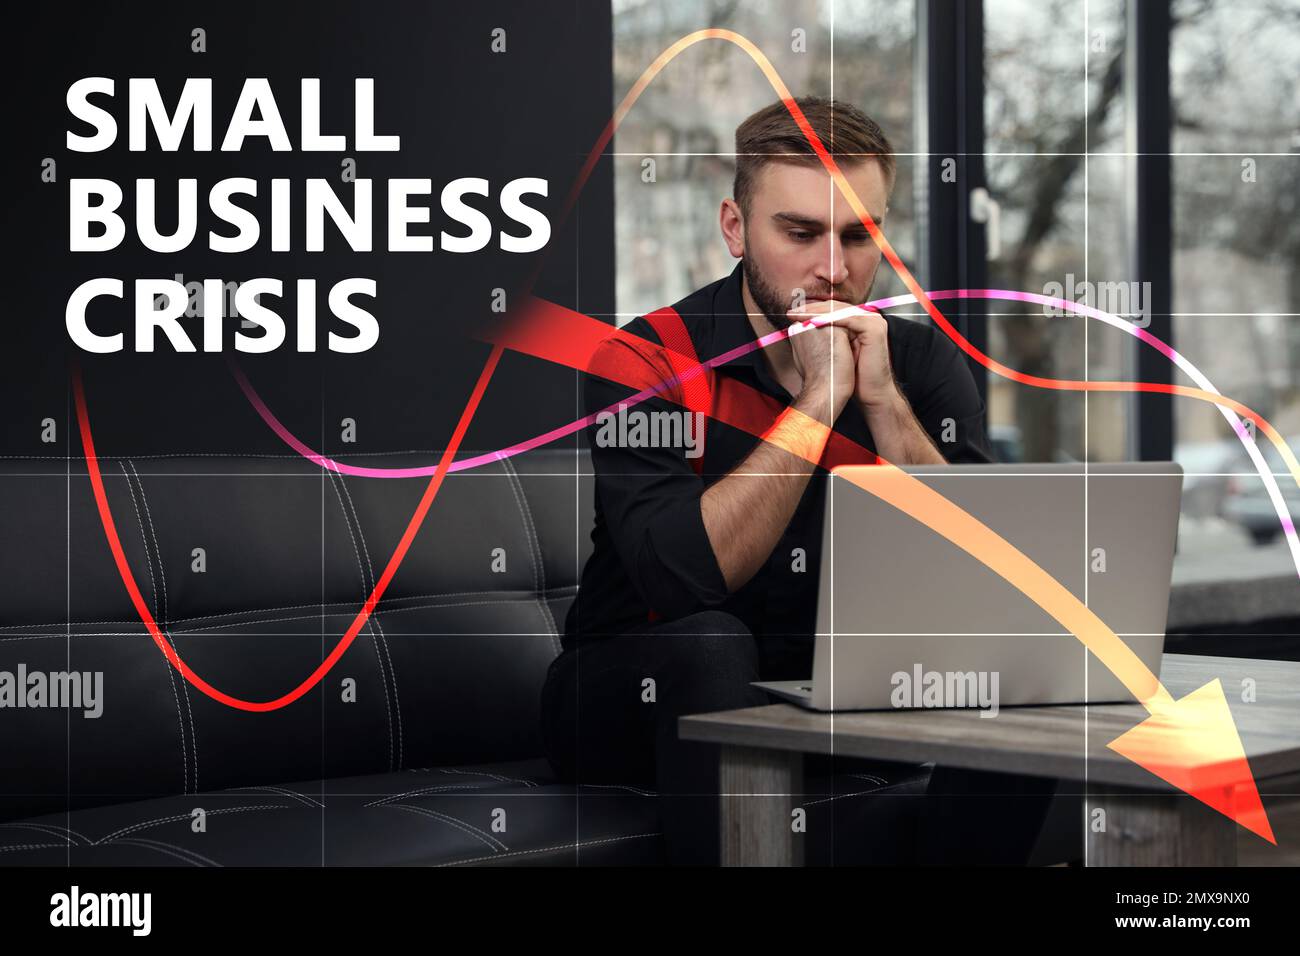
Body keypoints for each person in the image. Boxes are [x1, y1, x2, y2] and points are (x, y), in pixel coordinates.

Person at [539, 95, 1061, 866]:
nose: (834, 269)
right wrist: (819, 400)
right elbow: (684, 581)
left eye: (859, 235)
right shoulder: (646, 360)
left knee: (1029, 645)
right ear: (735, 227)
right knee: (714, 647)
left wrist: (882, 402)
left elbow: (981, 578)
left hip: (831, 694)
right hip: (635, 692)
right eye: (800, 233)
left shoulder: (918, 364)